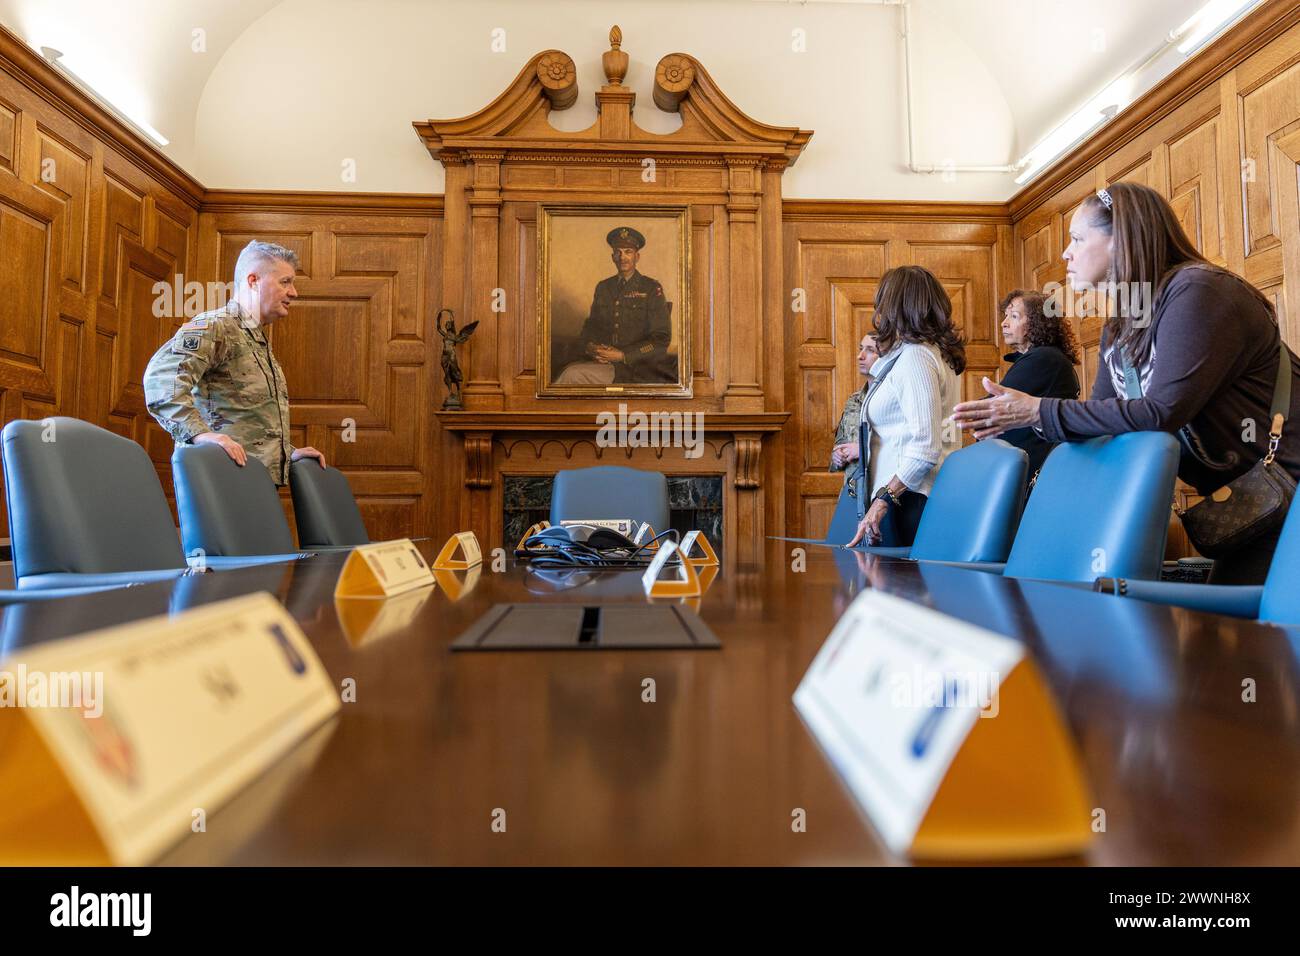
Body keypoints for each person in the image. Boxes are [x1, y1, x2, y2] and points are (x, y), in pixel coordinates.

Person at [953, 181, 1300, 584]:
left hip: (1288, 495)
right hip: (1253, 506)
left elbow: (1161, 413)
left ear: (1122, 239)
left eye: (1078, 238)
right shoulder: (1120, 327)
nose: (1066, 253)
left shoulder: (1198, 291)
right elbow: (1101, 423)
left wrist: (1037, 409)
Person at [144, 240, 326, 485]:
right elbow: (160, 381)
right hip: (222, 481)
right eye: (285, 282)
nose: (294, 292)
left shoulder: (256, 340)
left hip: (250, 480)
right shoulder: (216, 326)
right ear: (254, 281)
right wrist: (200, 435)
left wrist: (286, 452)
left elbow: (244, 415)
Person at [847, 266, 966, 548]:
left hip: (907, 500)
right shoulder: (925, 352)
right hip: (906, 496)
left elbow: (925, 447)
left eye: (882, 301)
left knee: (902, 589)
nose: (878, 310)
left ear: (895, 305)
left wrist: (884, 499)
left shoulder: (917, 357)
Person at [554, 227, 676, 385]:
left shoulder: (651, 288)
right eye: (618, 252)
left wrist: (623, 355)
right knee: (569, 371)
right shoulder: (603, 287)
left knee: (571, 375)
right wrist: (591, 348)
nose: (622, 257)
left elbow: (661, 340)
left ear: (637, 256)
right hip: (604, 364)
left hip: (637, 368)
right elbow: (590, 328)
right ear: (612, 257)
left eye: (628, 251)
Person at [995, 289, 1081, 476]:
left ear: (1036, 323)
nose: (1004, 323)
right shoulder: (1046, 357)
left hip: (1029, 474)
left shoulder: (1044, 357)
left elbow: (990, 407)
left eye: (1014, 316)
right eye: (1006, 316)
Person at [829, 333, 880, 473]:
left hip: (883, 489)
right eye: (861, 348)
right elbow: (840, 443)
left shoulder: (894, 398)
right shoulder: (853, 400)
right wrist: (837, 456)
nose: (860, 356)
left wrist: (862, 450)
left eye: (870, 350)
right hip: (854, 489)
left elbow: (903, 448)